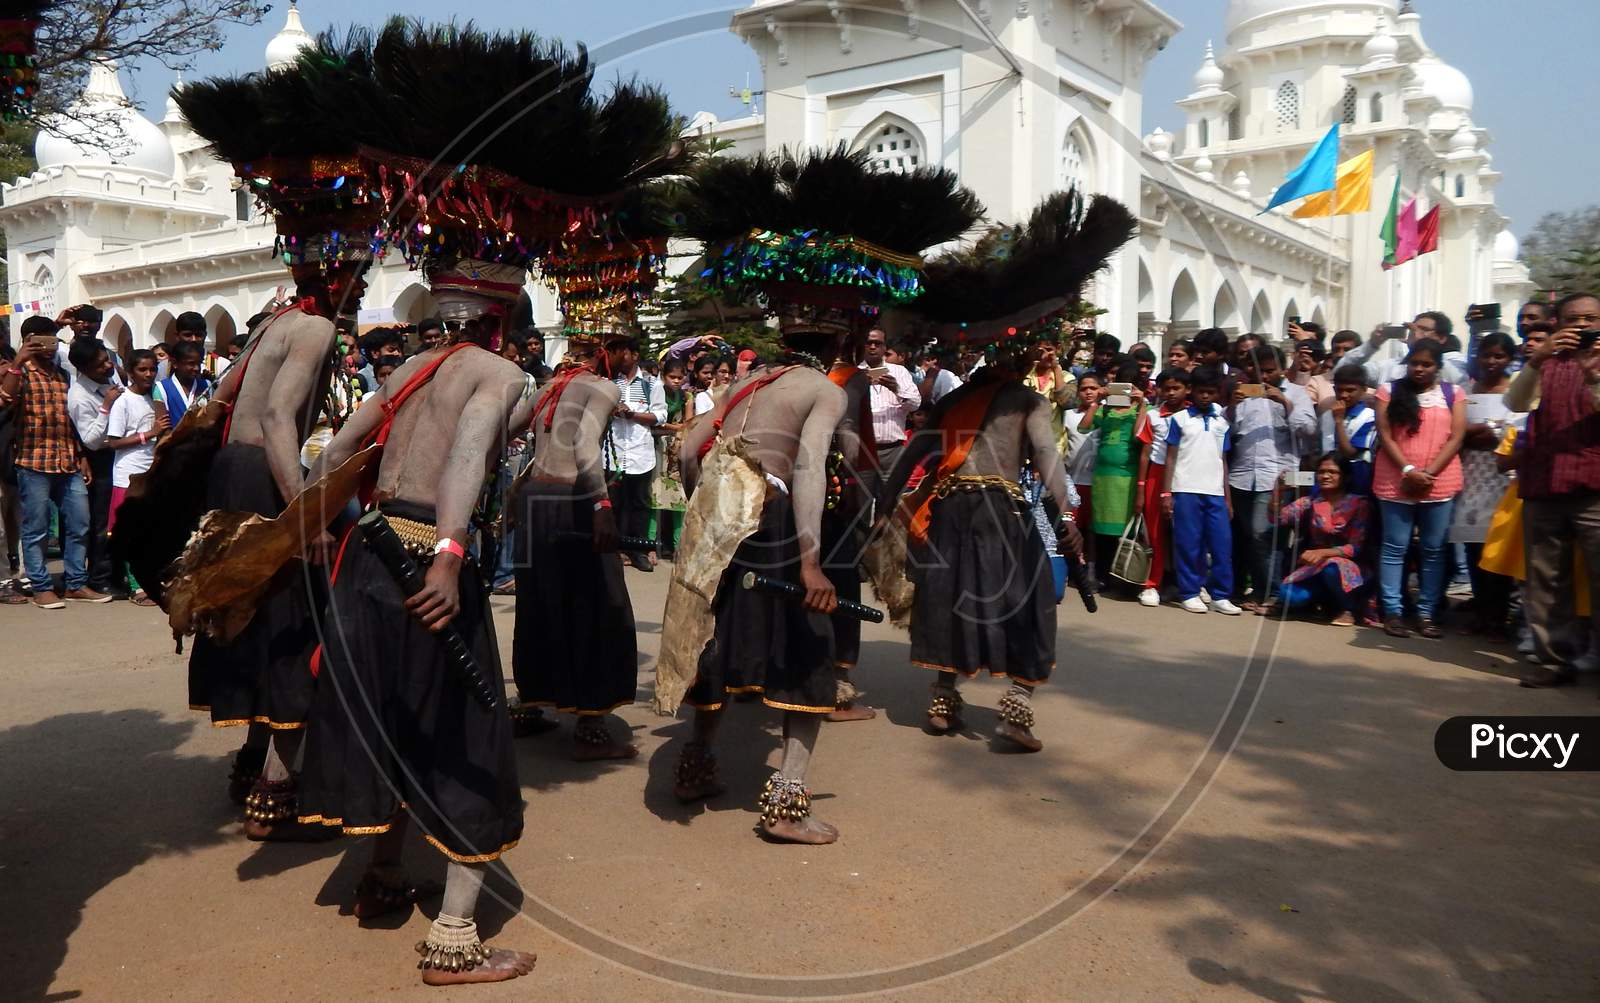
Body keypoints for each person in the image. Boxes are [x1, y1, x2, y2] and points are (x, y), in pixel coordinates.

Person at [661, 145, 982, 842]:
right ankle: (787, 800)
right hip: (779, 531)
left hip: (723, 529)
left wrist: (710, 507)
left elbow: (689, 449)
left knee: (720, 649)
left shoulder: (743, 383)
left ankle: (696, 762)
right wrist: (809, 560)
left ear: (781, 328)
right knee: (806, 654)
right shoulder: (821, 388)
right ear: (836, 333)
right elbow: (809, 470)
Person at [511, 331, 639, 759]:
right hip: (572, 500)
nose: (631, 359)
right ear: (612, 351)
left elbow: (506, 428)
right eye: (628, 350)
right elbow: (585, 444)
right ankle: (590, 725)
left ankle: (531, 704)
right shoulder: (602, 387)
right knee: (598, 605)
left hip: (535, 500)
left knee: (540, 601)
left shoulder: (550, 386)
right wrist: (602, 505)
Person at [1502, 293, 1600, 685]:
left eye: (1590, 319)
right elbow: (1516, 402)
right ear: (1557, 322)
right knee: (1545, 582)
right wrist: (1538, 360)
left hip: (1594, 488)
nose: (1581, 326)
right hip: (1544, 485)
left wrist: (1591, 372)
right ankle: (1553, 660)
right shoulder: (1546, 364)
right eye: (1572, 320)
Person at [0, 316, 107, 608]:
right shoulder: (18, 373)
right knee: (36, 529)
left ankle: (75, 583)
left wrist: (81, 456)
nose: (50, 347)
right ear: (29, 340)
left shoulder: (63, 375)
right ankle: (41, 587)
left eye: (53, 341)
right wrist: (19, 361)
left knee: (80, 523)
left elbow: (69, 420)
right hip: (33, 462)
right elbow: (5, 398)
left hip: (68, 460)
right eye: (43, 341)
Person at [1372, 340, 1467, 639]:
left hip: (1440, 481)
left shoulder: (1453, 394)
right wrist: (1409, 470)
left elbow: (1456, 437)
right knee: (1394, 547)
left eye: (1426, 364)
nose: (1419, 369)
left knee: (1434, 549)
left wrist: (1429, 473)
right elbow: (1385, 435)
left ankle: (1427, 612)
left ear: (1438, 367)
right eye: (1415, 363)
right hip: (1396, 479)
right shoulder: (1388, 391)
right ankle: (1393, 612)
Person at [1227, 344, 1316, 611]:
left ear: (1281, 369)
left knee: (1262, 533)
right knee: (1248, 536)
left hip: (1279, 477)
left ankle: (1275, 592)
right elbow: (1227, 432)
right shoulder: (1246, 394)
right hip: (1241, 475)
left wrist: (1285, 403)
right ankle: (1259, 591)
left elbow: (1309, 429)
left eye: (1270, 371)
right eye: (1259, 371)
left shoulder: (1297, 393)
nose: (1264, 377)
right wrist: (1232, 406)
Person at [1448, 332, 1518, 634]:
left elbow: (1514, 431)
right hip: (1471, 476)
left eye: (1499, 356)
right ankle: (1481, 609)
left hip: (1503, 477)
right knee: (1475, 548)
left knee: (1498, 549)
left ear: (1509, 359)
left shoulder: (1518, 391)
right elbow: (1457, 432)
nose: (1492, 361)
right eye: (1486, 355)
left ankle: (1498, 617)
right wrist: (1481, 430)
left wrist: (1489, 432)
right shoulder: (1466, 390)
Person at [1162, 364, 1238, 615]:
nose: (1205, 396)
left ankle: (1220, 595)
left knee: (1221, 545)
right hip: (1185, 489)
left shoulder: (1222, 422)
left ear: (1217, 393)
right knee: (1189, 544)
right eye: (1201, 391)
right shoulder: (1179, 419)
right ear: (1191, 391)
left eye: (1211, 392)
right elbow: (1170, 458)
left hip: (1215, 491)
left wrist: (1227, 497)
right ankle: (1190, 592)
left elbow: (1223, 460)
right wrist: (1167, 493)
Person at [63, 336, 128, 598]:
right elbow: (90, 439)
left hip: (123, 453)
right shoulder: (79, 396)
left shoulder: (112, 379)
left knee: (121, 517)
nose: (108, 366)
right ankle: (99, 576)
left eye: (107, 359)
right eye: (100, 364)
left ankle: (118, 572)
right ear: (85, 368)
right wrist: (106, 407)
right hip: (101, 460)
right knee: (101, 523)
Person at [102, 349, 168, 605]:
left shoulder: (155, 398)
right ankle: (135, 586)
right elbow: (114, 442)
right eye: (143, 370)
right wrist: (150, 434)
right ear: (130, 372)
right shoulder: (123, 401)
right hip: (128, 475)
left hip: (151, 472)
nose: (149, 374)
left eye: (152, 369)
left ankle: (151, 580)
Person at [1079, 359, 1148, 584]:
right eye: (1121, 384)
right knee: (1101, 529)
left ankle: (1121, 577)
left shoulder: (1142, 407)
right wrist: (1096, 401)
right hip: (1103, 476)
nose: (1126, 389)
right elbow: (1083, 426)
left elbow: (1140, 435)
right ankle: (1100, 576)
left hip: (1127, 476)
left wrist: (1142, 404)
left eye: (1131, 385)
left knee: (1123, 530)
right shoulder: (1106, 408)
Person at [603, 334, 666, 572]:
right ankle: (616, 550)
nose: (620, 357)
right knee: (615, 503)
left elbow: (660, 416)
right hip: (614, 452)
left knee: (639, 504)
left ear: (635, 355)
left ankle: (637, 550)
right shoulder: (609, 382)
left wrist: (633, 415)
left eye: (624, 352)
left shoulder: (651, 384)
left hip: (640, 453)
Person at [1136, 368, 1189, 606]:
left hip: (1187, 475)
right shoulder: (1153, 415)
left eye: (1176, 388)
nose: (1171, 392)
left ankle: (1189, 585)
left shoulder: (1193, 415)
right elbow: (1145, 454)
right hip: (1156, 475)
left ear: (1187, 389)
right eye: (1166, 388)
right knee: (1155, 532)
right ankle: (1151, 584)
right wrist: (1140, 487)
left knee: (1186, 532)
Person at [861, 326, 920, 484]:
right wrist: (859, 387)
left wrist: (897, 390)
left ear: (885, 347)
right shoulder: (854, 372)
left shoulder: (899, 372)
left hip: (893, 450)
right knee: (862, 501)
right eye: (868, 343)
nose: (873, 347)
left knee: (892, 501)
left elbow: (915, 404)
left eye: (877, 343)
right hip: (863, 451)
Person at [1345, 311, 1469, 386]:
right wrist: (1371, 345)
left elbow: (1459, 380)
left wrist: (1423, 347)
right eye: (1413, 328)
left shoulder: (1453, 365)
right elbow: (1343, 373)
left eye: (1423, 330)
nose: (1415, 333)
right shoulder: (1387, 367)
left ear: (1442, 338)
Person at [652, 358, 691, 560]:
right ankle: (651, 545)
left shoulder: (685, 396)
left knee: (678, 499)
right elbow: (656, 423)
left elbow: (689, 422)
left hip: (675, 448)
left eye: (680, 377)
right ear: (663, 375)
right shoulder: (656, 391)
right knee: (654, 496)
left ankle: (677, 545)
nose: (676, 381)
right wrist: (674, 427)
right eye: (672, 377)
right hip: (657, 446)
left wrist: (678, 428)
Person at [1324, 364, 1377, 495]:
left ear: (1364, 390)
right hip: (1328, 476)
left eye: (1350, 390)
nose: (1344, 395)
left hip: (1356, 477)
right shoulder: (1327, 415)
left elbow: (1350, 452)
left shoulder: (1369, 416)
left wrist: (1339, 421)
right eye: (1339, 390)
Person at [1022, 337, 1077, 455]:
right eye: (1040, 351)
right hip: (1025, 446)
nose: (1044, 355)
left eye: (1048, 350)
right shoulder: (1024, 377)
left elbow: (1067, 402)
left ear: (1057, 349)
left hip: (1053, 445)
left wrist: (1056, 367)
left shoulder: (1067, 377)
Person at [1065, 372, 1102, 538]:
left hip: (1099, 482)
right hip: (1074, 481)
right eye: (1084, 388)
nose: (1088, 392)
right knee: (1074, 527)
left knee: (1094, 530)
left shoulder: (1107, 414)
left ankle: (1092, 563)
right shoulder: (1068, 415)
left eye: (1093, 388)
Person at [156, 341, 212, 426]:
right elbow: (163, 427)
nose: (197, 368)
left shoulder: (207, 385)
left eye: (199, 363)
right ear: (175, 363)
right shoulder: (161, 388)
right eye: (191, 364)